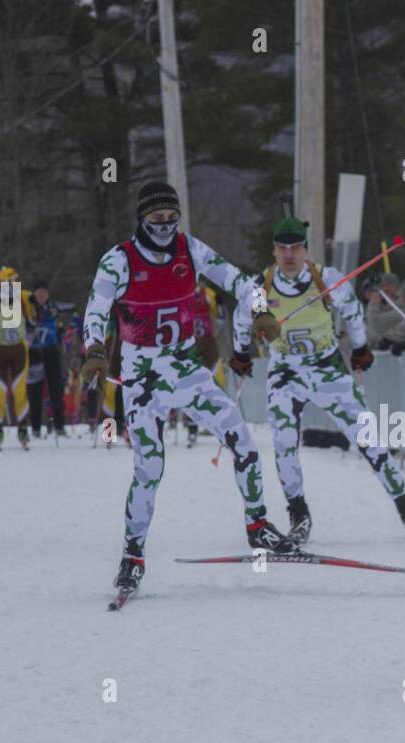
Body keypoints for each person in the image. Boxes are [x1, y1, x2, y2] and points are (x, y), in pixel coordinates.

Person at [80, 181, 296, 599]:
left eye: (170, 218)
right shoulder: (118, 261)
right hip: (142, 379)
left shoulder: (190, 250)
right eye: (155, 219)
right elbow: (97, 307)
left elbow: (240, 282)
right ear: (142, 220)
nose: (164, 226)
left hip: (187, 372)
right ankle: (132, 555)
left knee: (245, 444)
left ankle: (258, 526)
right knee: (150, 467)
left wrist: (261, 312)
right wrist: (93, 348)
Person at [231, 216, 405, 546]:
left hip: (327, 369)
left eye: (296, 247)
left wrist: (359, 349)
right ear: (274, 250)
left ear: (305, 250)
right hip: (285, 373)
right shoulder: (262, 286)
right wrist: (241, 354)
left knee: (369, 439)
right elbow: (241, 318)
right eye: (283, 248)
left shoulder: (325, 279)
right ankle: (299, 515)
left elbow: (354, 312)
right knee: (284, 444)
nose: (289, 255)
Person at [0, 265, 32, 450]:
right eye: (13, 281)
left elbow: (34, 312)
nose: (16, 284)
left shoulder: (23, 296)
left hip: (19, 348)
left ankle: (23, 428)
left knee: (20, 390)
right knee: (0, 391)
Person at [27, 279, 66, 437]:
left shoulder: (53, 308)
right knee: (34, 391)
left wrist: (61, 331)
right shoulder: (28, 307)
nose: (41, 295)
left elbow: (60, 326)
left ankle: (59, 426)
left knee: (56, 388)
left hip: (51, 351)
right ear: (35, 294)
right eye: (39, 292)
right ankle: (35, 427)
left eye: (44, 292)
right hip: (34, 352)